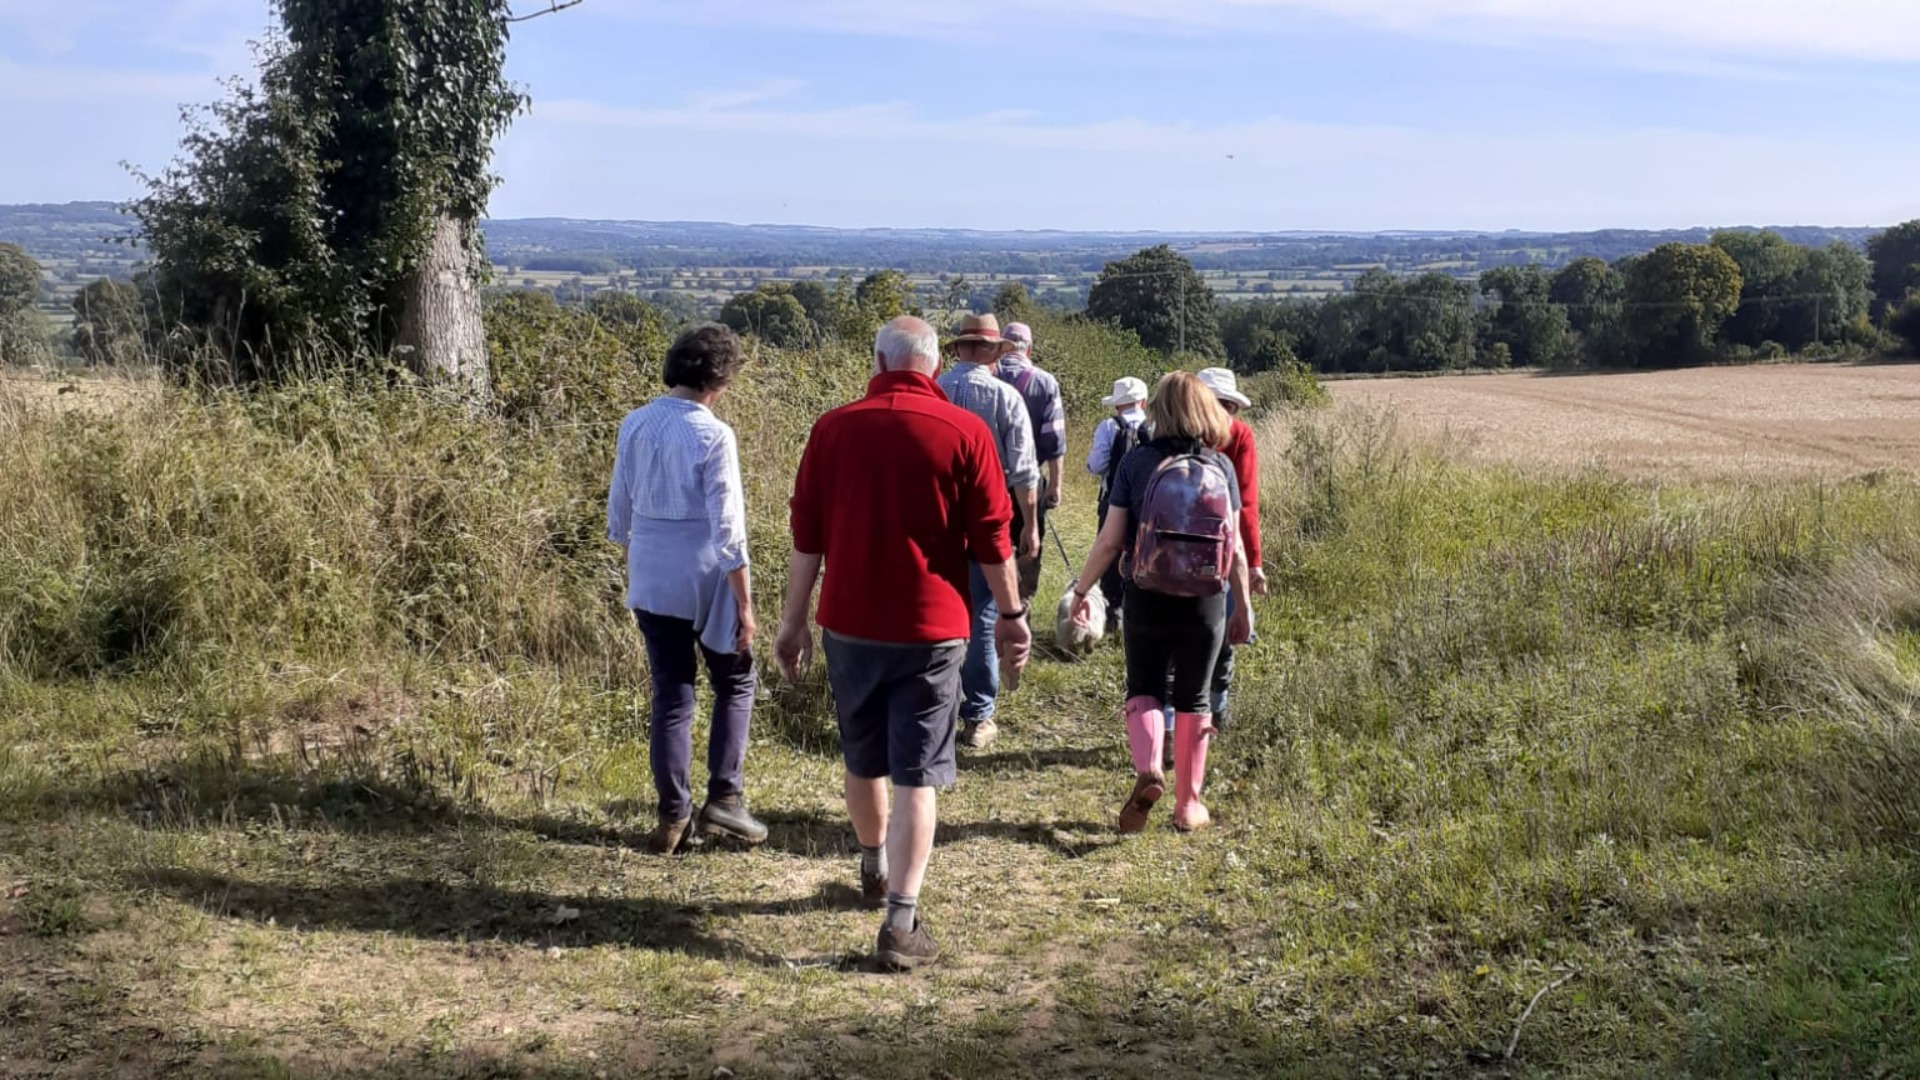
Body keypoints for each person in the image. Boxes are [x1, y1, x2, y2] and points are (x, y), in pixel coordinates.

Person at [776, 316, 1033, 972]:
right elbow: (992, 538)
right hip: (933, 629)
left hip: (849, 622)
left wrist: (793, 621)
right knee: (918, 773)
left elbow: (807, 535)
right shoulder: (965, 432)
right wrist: (1010, 614)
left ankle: (872, 866)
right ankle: (899, 919)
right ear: (934, 365)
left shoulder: (833, 429)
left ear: (878, 360)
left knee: (863, 759)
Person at [607, 323, 768, 855]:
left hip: (651, 571)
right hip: (705, 574)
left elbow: (619, 512)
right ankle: (724, 797)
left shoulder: (635, 422)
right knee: (735, 681)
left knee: (672, 694)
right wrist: (745, 601)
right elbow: (729, 528)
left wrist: (639, 565)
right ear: (719, 379)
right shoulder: (713, 434)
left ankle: (673, 813)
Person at [1070, 372, 1253, 835]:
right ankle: (1188, 805)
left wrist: (1082, 590)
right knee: (1195, 695)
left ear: (1157, 411)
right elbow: (1234, 549)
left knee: (1145, 687)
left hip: (1146, 592)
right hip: (1206, 600)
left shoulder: (1136, 463)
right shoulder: (1221, 466)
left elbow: (1110, 541)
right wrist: (1243, 607)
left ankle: (1150, 768)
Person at [936, 312, 1040, 750]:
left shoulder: (935, 391)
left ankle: (935, 704)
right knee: (982, 611)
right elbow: (1024, 471)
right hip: (988, 516)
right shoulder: (1006, 398)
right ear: (994, 353)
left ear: (959, 350)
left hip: (937, 516)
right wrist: (1030, 524)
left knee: (939, 608)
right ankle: (977, 715)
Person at [1196, 368, 1269, 733]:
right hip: (1223, 551)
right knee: (1222, 633)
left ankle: (1175, 718)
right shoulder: (1238, 435)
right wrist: (1253, 563)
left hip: (1170, 552)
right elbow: (1247, 505)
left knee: (1178, 635)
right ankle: (1216, 709)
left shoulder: (1172, 430)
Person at [995, 322, 1067, 603]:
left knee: (990, 543)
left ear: (1002, 347)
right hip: (1029, 481)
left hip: (989, 481)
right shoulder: (1045, 383)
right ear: (1030, 350)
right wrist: (1055, 485)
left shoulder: (988, 376)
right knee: (1028, 544)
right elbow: (1054, 440)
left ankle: (992, 604)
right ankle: (1021, 604)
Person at [1084, 376, 1150, 635]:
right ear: (1143, 402)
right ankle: (1136, 610)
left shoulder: (1109, 426)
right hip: (1147, 505)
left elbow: (1096, 465)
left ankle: (1112, 613)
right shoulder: (1154, 426)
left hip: (1112, 501)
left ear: (1117, 405)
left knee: (1109, 552)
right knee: (1142, 553)